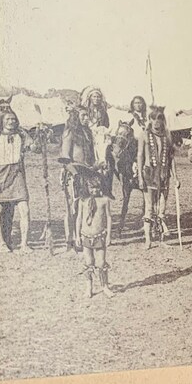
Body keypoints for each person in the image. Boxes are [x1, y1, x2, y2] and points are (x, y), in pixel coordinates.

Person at [0, 111, 32, 253]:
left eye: (13, 119)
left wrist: (37, 141)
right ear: (2, 121)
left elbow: (33, 147)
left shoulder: (22, 135)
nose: (11, 121)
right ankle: (2, 243)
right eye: (8, 119)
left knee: (25, 209)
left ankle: (24, 244)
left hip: (17, 176)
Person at [137, 106, 179, 249]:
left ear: (163, 120)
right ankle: (148, 239)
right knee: (149, 208)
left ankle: (161, 239)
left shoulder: (167, 136)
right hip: (149, 174)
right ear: (149, 120)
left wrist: (176, 177)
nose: (156, 122)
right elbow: (140, 156)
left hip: (163, 176)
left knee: (162, 208)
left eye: (159, 118)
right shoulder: (144, 135)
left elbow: (171, 157)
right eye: (153, 118)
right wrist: (140, 178)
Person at [60, 106, 95, 251]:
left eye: (88, 115)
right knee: (72, 209)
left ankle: (81, 238)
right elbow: (64, 158)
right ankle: (70, 241)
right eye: (83, 115)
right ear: (76, 117)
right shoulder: (69, 133)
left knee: (85, 207)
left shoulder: (87, 132)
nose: (87, 118)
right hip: (73, 173)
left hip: (87, 173)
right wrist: (75, 174)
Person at [76, 170, 113, 298]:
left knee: (101, 263)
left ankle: (105, 287)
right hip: (86, 235)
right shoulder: (83, 201)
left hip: (100, 236)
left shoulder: (105, 200)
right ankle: (88, 288)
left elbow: (108, 217)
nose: (94, 190)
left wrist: (108, 235)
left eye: (97, 187)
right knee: (88, 262)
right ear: (87, 187)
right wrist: (77, 235)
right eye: (92, 187)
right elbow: (79, 218)